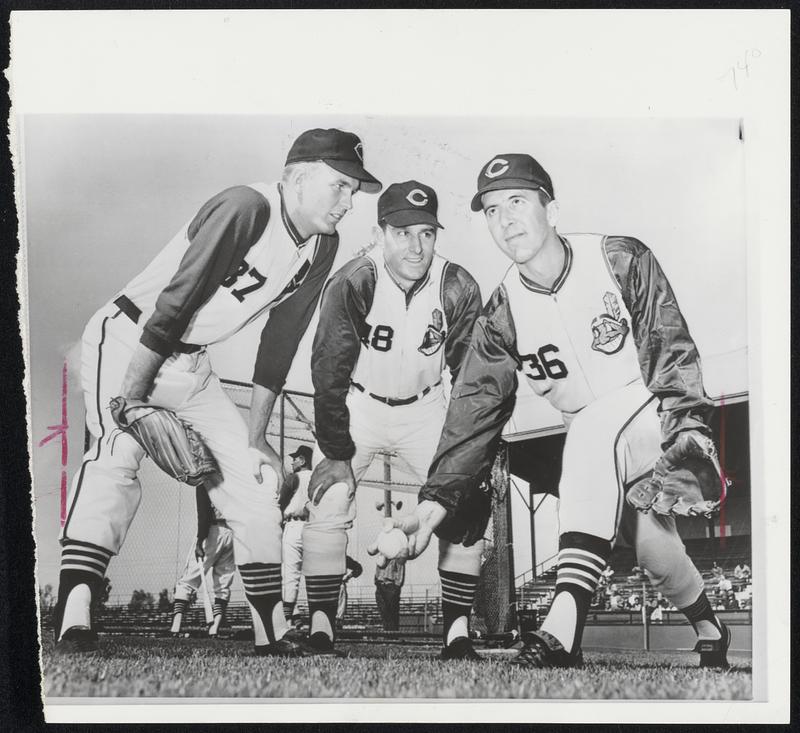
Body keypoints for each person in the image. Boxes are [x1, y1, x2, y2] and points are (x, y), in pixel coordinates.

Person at [392, 153, 731, 669]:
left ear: (551, 209)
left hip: (650, 409)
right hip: (596, 448)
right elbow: (473, 415)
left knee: (594, 430)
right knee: (655, 555)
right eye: (490, 209)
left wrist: (687, 425)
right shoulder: (502, 314)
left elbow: (671, 347)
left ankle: (563, 626)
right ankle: (712, 629)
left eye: (518, 201)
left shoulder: (618, 258)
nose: (505, 219)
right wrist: (433, 505)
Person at [52, 128, 382, 656]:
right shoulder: (247, 207)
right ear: (298, 177)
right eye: (339, 185)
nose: (348, 201)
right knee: (116, 452)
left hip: (194, 367)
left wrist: (256, 437)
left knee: (254, 486)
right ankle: (75, 611)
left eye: (353, 191)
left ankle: (269, 630)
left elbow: (281, 340)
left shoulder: (323, 243)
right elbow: (176, 303)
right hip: (130, 340)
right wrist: (133, 397)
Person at [302, 180, 484, 659]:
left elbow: (471, 379)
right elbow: (329, 369)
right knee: (329, 495)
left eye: (426, 232)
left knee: (466, 503)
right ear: (381, 232)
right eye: (403, 233)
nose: (416, 246)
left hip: (425, 408)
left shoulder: (456, 284)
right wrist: (337, 453)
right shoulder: (355, 279)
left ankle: (457, 632)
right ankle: (321, 626)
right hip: (359, 405)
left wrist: (468, 456)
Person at [170, 485, 235, 637]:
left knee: (189, 579)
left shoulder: (204, 481)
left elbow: (204, 514)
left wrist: (200, 540)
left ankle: (175, 627)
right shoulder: (233, 475)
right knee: (223, 582)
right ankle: (214, 629)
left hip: (212, 531)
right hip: (232, 532)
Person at [278, 444, 314, 629]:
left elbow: (280, 504)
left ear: (304, 460)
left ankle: (287, 622)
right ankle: (312, 621)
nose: (292, 461)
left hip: (293, 526)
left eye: (296, 458)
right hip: (313, 527)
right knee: (315, 575)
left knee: (290, 575)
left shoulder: (293, 478)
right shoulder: (319, 478)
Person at [374, 557, 405, 631]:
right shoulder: (381, 555)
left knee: (392, 615)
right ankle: (387, 637)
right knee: (384, 613)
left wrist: (395, 588)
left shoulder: (398, 556)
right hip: (380, 585)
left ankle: (393, 638)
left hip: (390, 586)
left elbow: (400, 575)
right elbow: (377, 571)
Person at [336, 555, 364, 626]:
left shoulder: (341, 557)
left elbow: (358, 568)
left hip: (338, 586)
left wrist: (348, 576)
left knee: (338, 616)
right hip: (331, 586)